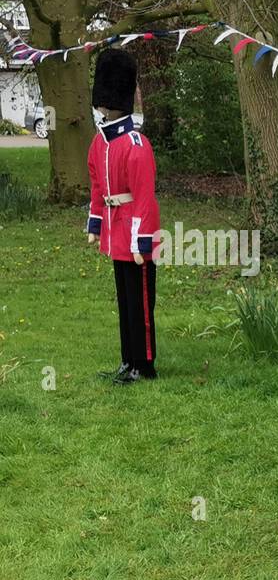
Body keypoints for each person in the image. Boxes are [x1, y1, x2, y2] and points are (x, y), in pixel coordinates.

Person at [86, 47, 161, 385]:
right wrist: (96, 224)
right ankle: (127, 360)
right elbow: (97, 187)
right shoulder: (99, 143)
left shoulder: (136, 144)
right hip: (116, 232)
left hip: (136, 233)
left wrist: (140, 241)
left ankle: (144, 365)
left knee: (141, 302)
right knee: (125, 300)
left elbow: (144, 199)